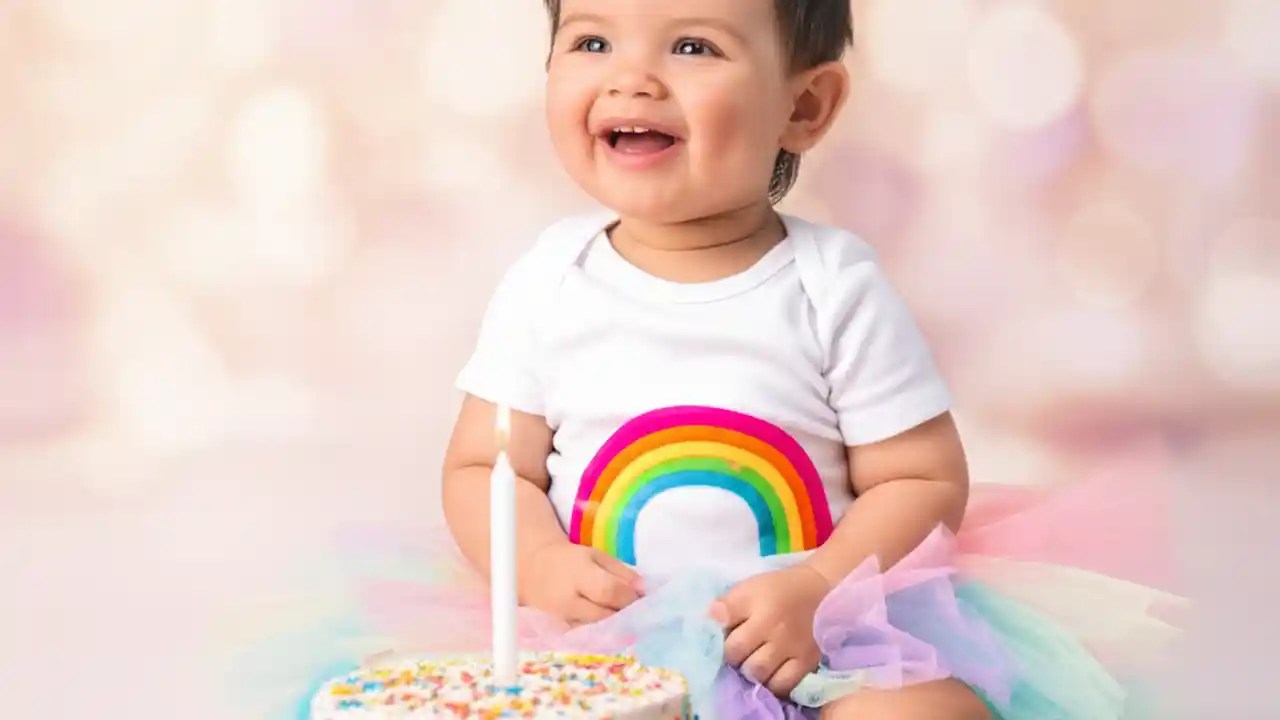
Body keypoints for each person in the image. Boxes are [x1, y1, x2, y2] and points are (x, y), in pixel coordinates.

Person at [437, 1, 1179, 717]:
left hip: (817, 642)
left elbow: (920, 478)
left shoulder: (832, 284)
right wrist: (536, 564)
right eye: (592, 42)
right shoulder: (550, 280)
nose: (632, 79)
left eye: (693, 46)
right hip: (598, 650)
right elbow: (484, 467)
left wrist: (821, 586)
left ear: (806, 106)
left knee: (924, 712)